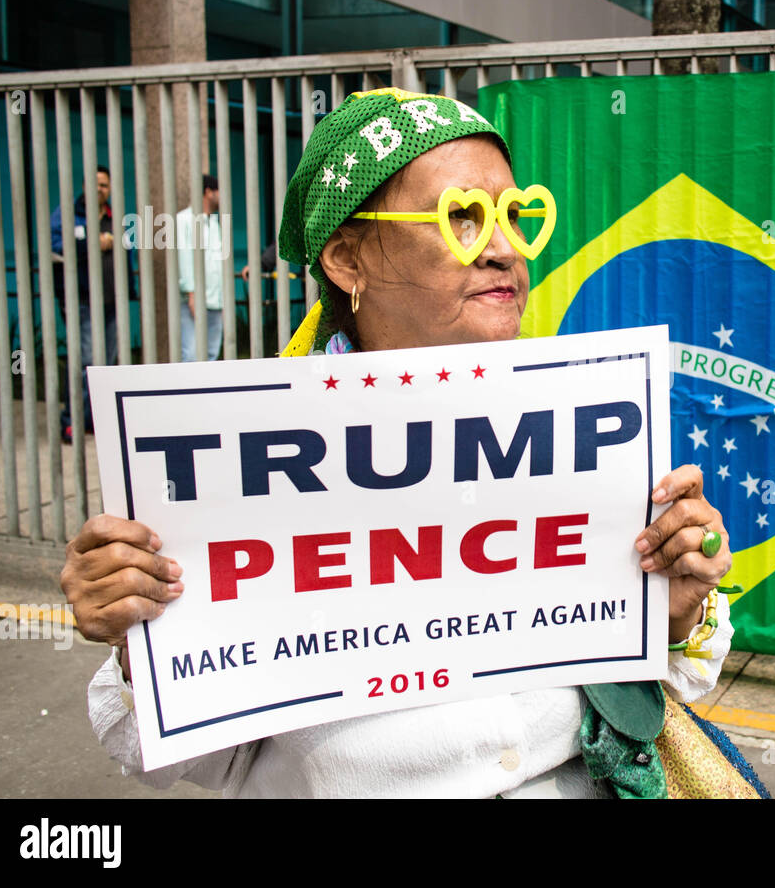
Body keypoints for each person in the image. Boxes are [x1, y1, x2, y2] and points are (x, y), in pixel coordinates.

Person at [62, 89, 734, 798]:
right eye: (463, 217)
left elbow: (679, 679)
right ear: (348, 260)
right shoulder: (231, 470)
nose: (505, 250)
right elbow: (184, 760)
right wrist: (141, 644)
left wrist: (676, 607)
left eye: (515, 216)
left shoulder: (581, 428)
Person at [51, 165, 118, 443]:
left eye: (104, 185)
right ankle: (71, 421)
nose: (99, 190)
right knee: (86, 362)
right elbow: (55, 245)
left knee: (107, 363)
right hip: (82, 300)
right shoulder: (68, 215)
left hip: (112, 302)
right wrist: (92, 243)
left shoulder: (113, 218)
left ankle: (93, 420)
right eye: (95, 184)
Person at [177, 174, 224, 361]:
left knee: (211, 356)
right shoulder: (183, 220)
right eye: (219, 192)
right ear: (208, 192)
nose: (222, 197)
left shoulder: (214, 222)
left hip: (215, 302)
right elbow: (184, 256)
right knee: (191, 356)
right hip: (193, 302)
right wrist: (191, 294)